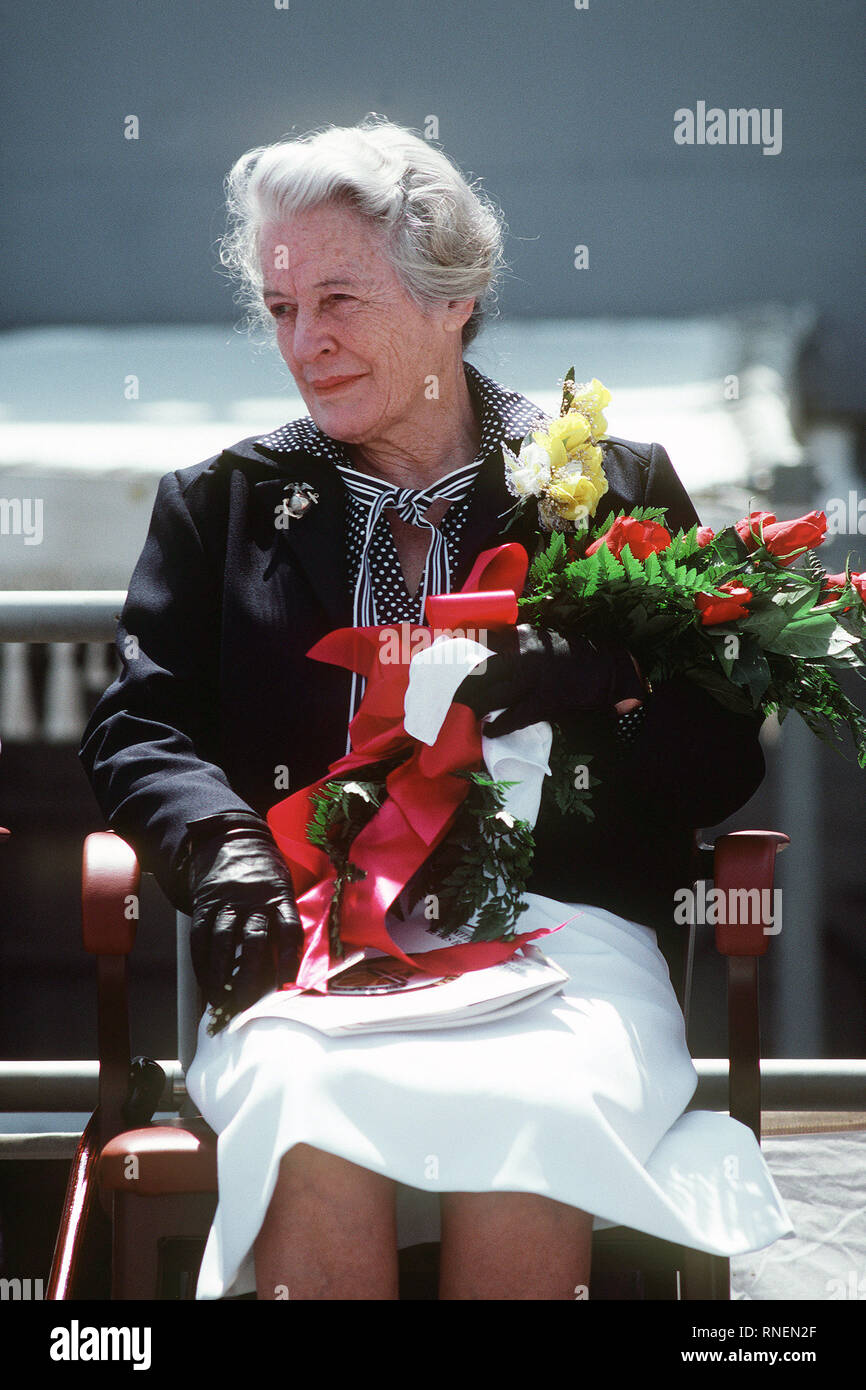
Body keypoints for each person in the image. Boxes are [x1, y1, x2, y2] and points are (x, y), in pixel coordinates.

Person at [79, 115, 792, 1300]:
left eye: (339, 300)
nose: (305, 343)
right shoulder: (223, 504)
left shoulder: (606, 489)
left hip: (565, 945)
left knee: (527, 1101)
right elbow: (139, 725)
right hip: (311, 942)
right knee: (308, 1109)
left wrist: (605, 687)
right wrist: (227, 861)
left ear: (451, 296)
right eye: (280, 309)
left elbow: (716, 761)